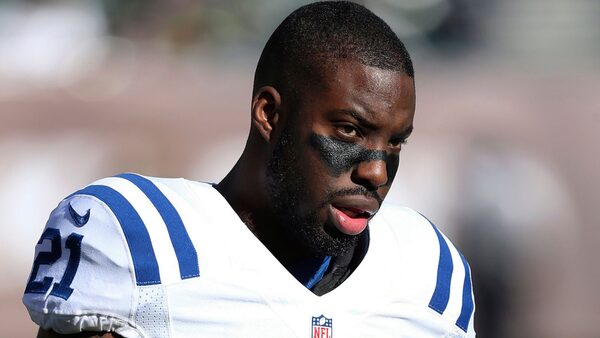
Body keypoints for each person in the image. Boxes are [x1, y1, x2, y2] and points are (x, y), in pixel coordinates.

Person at [23, 1, 475, 337]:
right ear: (269, 114)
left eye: (396, 142)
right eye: (350, 131)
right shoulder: (140, 242)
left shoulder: (428, 273)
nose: (377, 173)